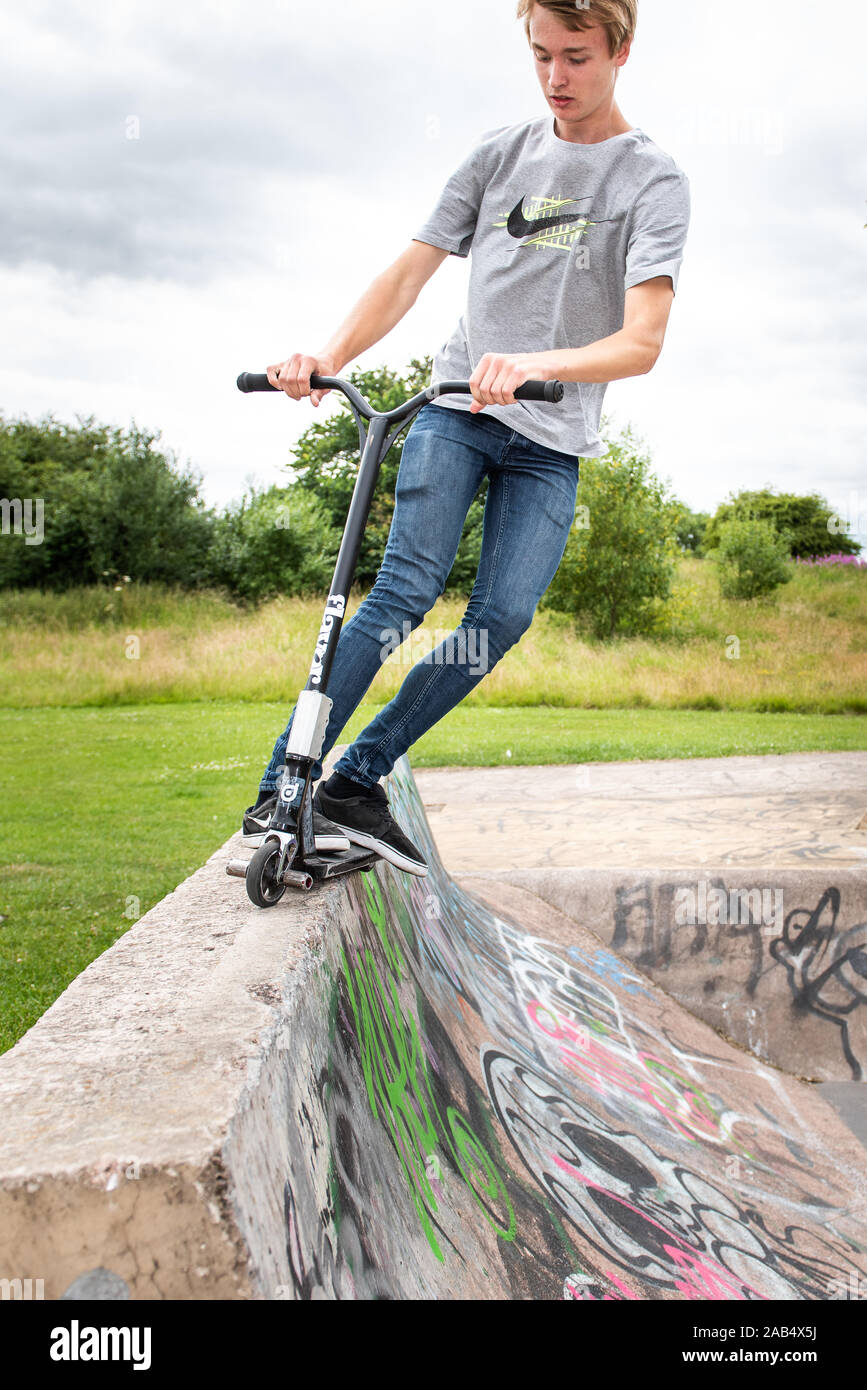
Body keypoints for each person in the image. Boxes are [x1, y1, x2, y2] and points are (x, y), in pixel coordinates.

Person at [242, 0, 690, 878]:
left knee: (504, 616)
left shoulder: (653, 181)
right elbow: (407, 273)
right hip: (455, 409)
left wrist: (530, 363)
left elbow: (642, 342)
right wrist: (322, 357)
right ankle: (281, 789)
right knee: (402, 590)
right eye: (540, 57)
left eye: (575, 57)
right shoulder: (498, 154)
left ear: (620, 51)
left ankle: (355, 779)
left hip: (550, 435)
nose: (556, 78)